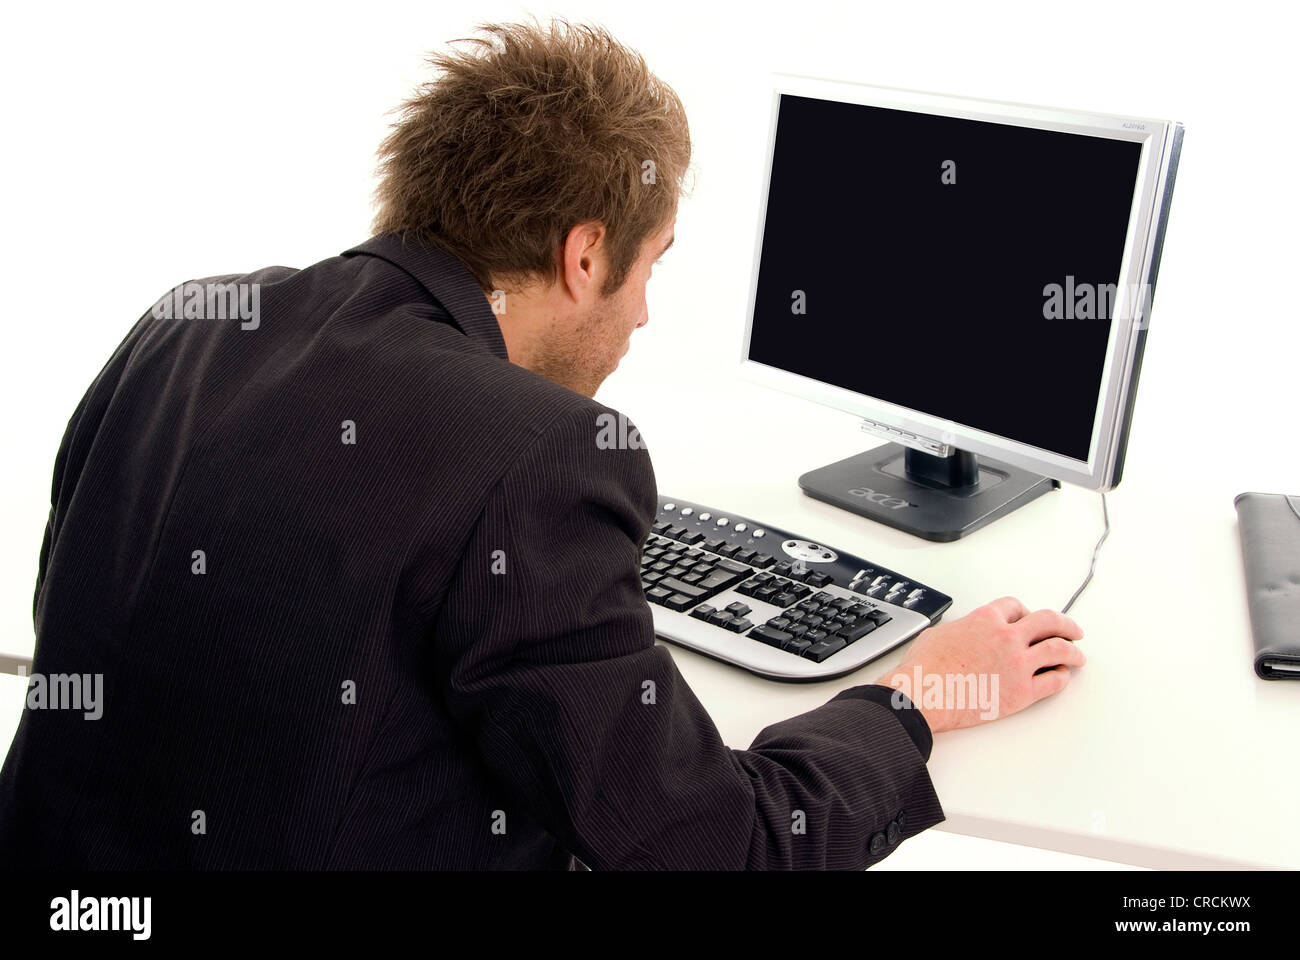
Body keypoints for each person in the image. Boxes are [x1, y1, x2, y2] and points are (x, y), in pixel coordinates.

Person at [0, 18, 1085, 870]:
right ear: (582, 253)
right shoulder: (542, 455)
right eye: (651, 265)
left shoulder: (191, 322)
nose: (647, 314)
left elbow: (89, 615)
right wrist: (916, 701)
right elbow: (724, 852)